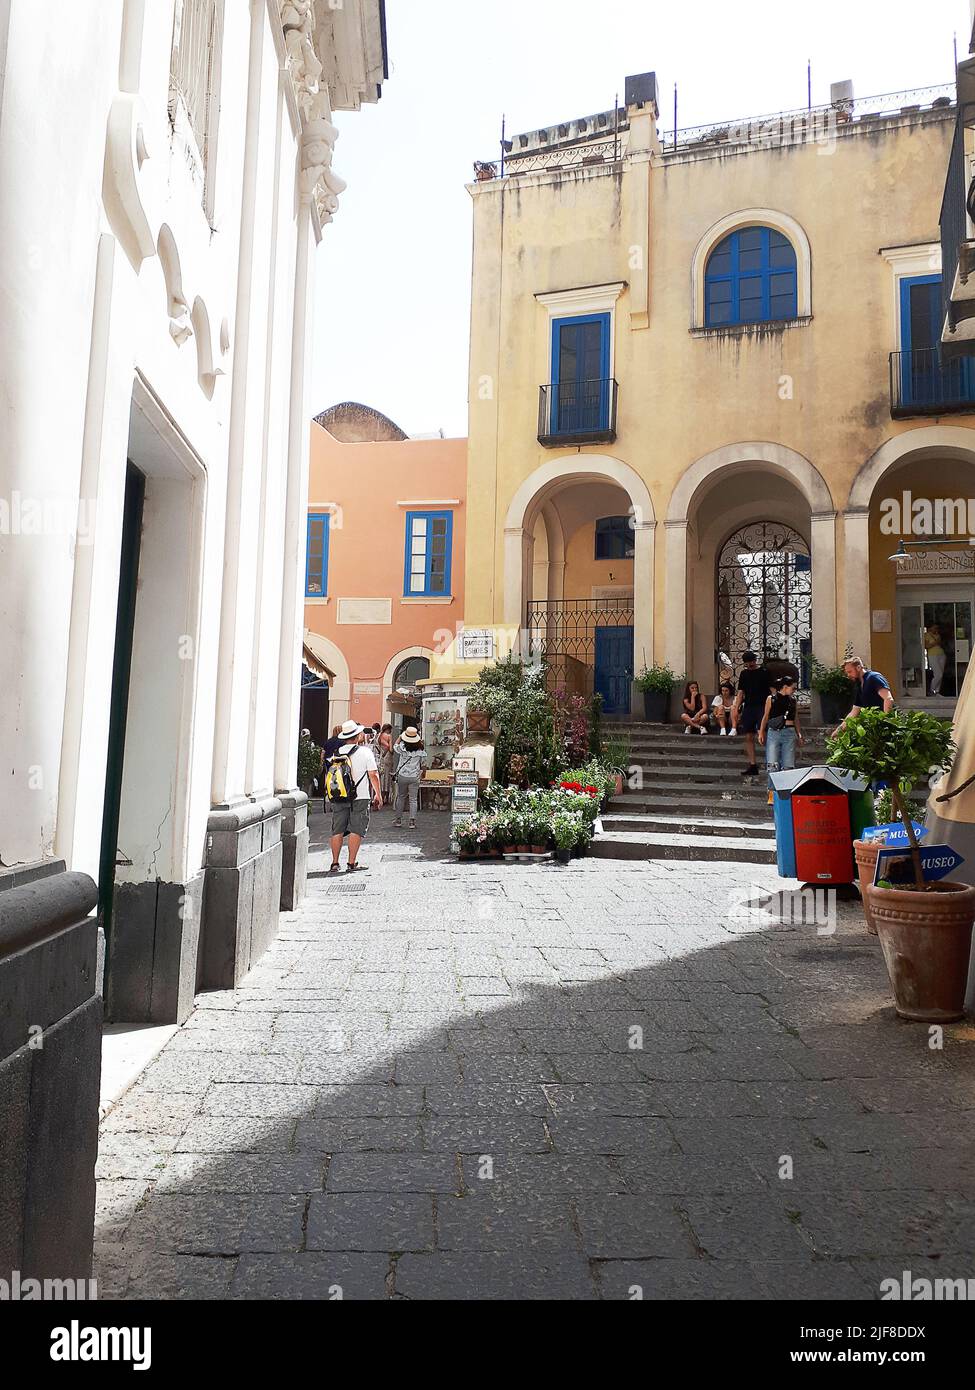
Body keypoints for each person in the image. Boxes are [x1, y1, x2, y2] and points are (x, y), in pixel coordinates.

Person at [327, 720, 382, 873]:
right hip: (361, 796)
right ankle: (351, 863)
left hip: (340, 796)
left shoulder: (337, 753)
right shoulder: (365, 752)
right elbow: (373, 775)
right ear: (357, 735)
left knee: (337, 829)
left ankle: (335, 863)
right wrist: (378, 794)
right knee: (356, 829)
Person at [759, 674, 804, 787]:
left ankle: (786, 790)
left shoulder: (792, 701)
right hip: (774, 732)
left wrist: (799, 734)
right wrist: (761, 731)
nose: (794, 690)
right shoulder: (771, 699)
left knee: (788, 765)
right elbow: (766, 716)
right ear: (785, 686)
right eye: (792, 688)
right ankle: (772, 791)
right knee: (772, 764)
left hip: (789, 732)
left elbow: (796, 718)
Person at [733, 651, 771, 779]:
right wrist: (736, 708)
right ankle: (753, 764)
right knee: (749, 735)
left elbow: (771, 690)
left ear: (755, 661)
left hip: (762, 706)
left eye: (751, 661)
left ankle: (771, 762)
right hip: (749, 707)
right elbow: (740, 692)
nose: (750, 664)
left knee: (763, 733)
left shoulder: (764, 672)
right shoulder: (744, 674)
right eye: (747, 662)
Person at [833, 657, 894, 736]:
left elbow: (888, 699)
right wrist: (838, 731)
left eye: (850, 672)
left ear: (858, 667)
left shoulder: (873, 677)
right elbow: (854, 711)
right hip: (874, 727)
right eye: (847, 673)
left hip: (884, 726)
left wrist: (886, 722)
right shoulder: (860, 685)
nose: (848, 675)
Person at [391, 726, 427, 829]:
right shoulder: (420, 749)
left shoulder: (402, 747)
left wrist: (400, 736)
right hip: (414, 776)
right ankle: (412, 822)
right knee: (413, 799)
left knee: (401, 797)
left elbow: (395, 746)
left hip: (402, 775)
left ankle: (398, 820)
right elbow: (423, 763)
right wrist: (423, 773)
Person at [924, 624, 946, 697]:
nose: (936, 629)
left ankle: (937, 691)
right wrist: (935, 642)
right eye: (934, 628)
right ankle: (931, 690)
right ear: (930, 628)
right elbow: (926, 646)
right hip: (932, 655)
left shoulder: (938, 635)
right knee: (938, 674)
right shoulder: (926, 635)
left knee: (941, 674)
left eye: (937, 628)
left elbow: (940, 644)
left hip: (941, 654)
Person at [376, 723, 394, 805]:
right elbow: (390, 748)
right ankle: (386, 797)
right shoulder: (389, 736)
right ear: (388, 729)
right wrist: (391, 751)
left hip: (381, 757)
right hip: (388, 757)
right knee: (387, 777)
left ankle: (381, 796)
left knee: (382, 777)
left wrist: (382, 754)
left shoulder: (380, 736)